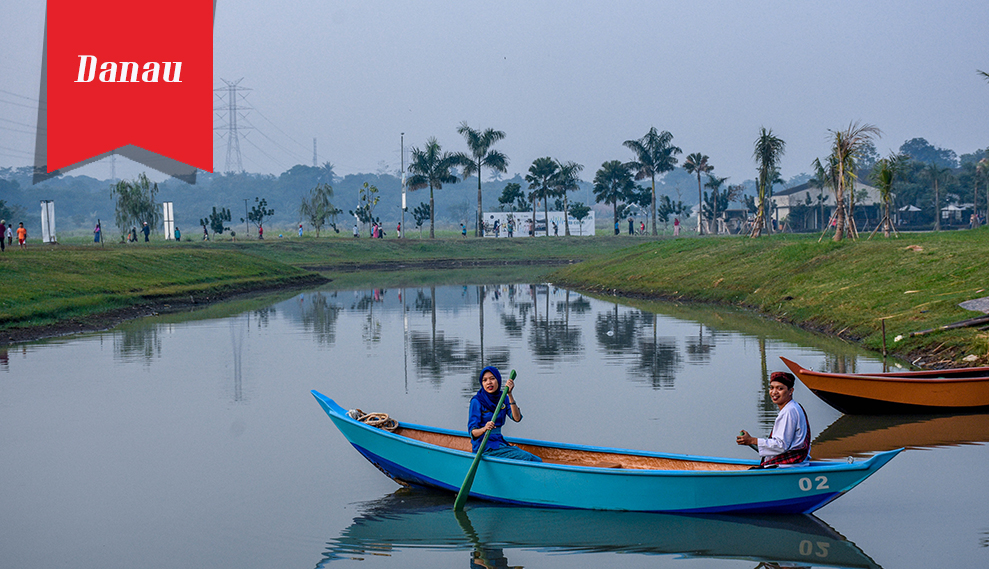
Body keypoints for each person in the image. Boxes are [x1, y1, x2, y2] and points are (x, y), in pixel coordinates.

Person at [737, 371, 811, 468]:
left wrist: (752, 440)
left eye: (780, 388)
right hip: (795, 463)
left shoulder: (789, 411)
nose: (774, 392)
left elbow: (781, 445)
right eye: (772, 388)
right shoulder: (794, 407)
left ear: (790, 391)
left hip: (789, 466)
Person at [468, 366, 541, 462]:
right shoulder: (477, 401)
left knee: (536, 459)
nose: (489, 382)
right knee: (529, 458)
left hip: (499, 443)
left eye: (492, 378)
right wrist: (484, 429)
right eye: (485, 380)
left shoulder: (503, 398)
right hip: (484, 447)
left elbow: (517, 418)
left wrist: (510, 395)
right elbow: (472, 432)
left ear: (498, 380)